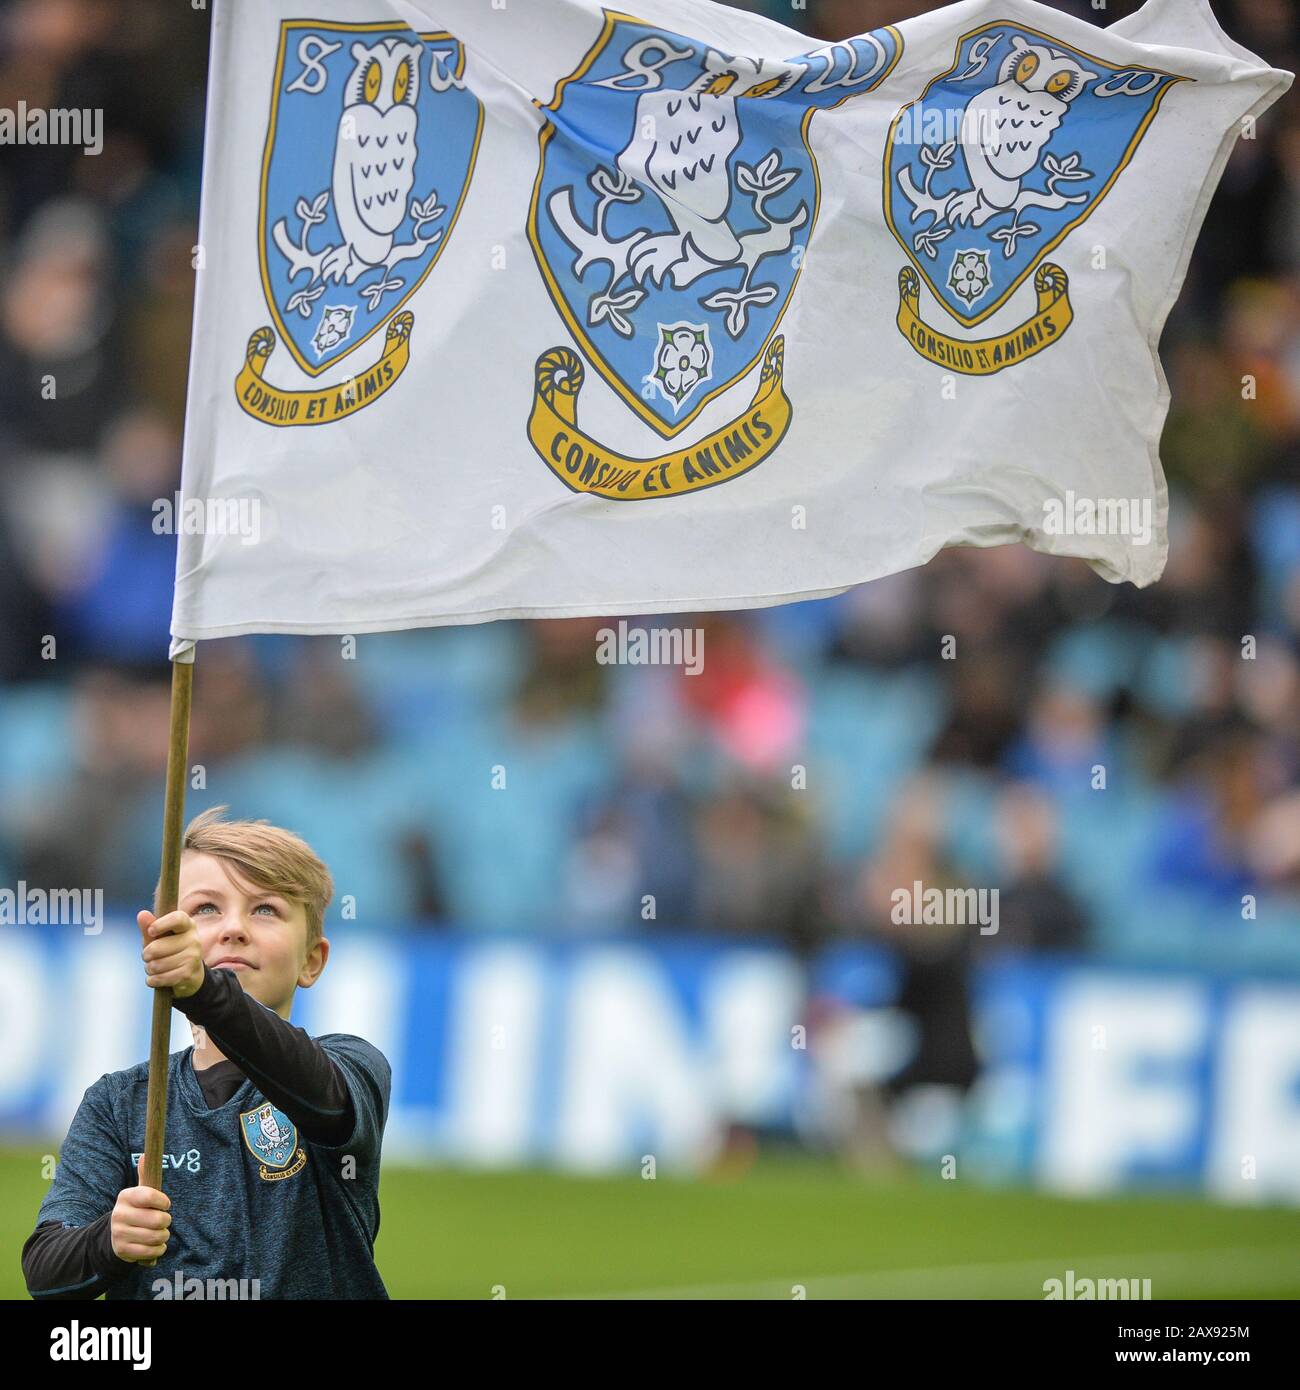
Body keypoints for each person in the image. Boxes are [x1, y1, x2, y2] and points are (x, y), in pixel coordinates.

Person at [22, 807, 391, 1300]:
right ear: (157, 943)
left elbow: (325, 1101)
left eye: (265, 909)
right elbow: (45, 1275)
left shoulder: (351, 1066)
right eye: (206, 909)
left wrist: (204, 989)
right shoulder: (117, 1103)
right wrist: (109, 1240)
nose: (234, 928)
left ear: (311, 959)